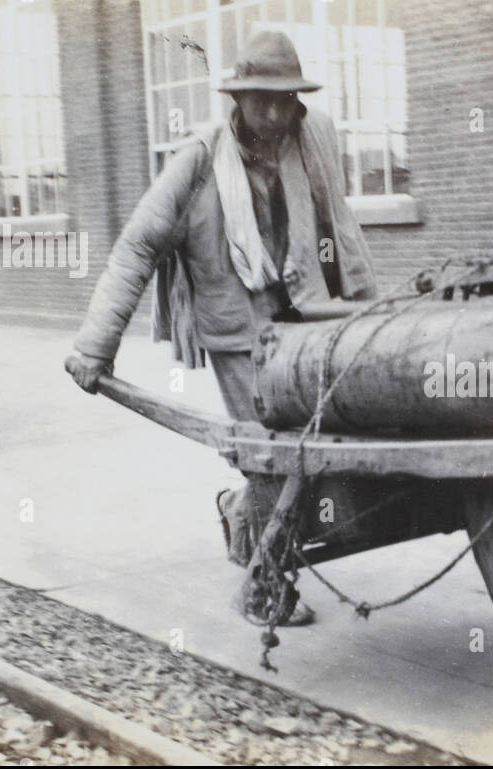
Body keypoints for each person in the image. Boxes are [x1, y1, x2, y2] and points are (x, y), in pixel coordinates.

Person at [66, 30, 378, 625]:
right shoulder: (198, 160)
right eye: (261, 99)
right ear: (237, 98)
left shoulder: (310, 141)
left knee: (319, 441)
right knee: (268, 452)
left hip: (304, 313)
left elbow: (339, 229)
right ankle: (263, 591)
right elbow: (137, 247)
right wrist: (94, 346)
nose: (274, 112)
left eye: (286, 99)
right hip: (236, 327)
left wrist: (367, 308)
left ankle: (242, 518)